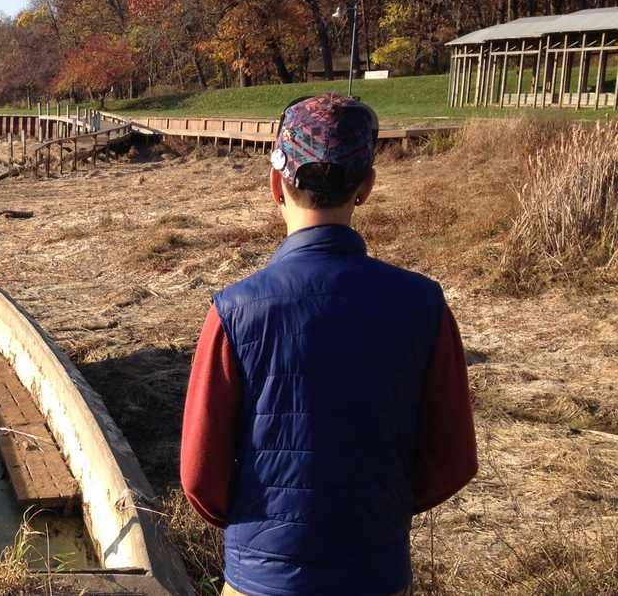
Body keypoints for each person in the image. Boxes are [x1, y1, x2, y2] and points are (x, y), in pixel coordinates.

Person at [180, 94, 477, 596]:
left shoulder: (234, 311)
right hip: (375, 573)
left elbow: (198, 478)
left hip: (261, 581)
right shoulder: (423, 305)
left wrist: (263, 536)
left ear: (277, 184)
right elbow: (454, 461)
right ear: (365, 187)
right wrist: (378, 516)